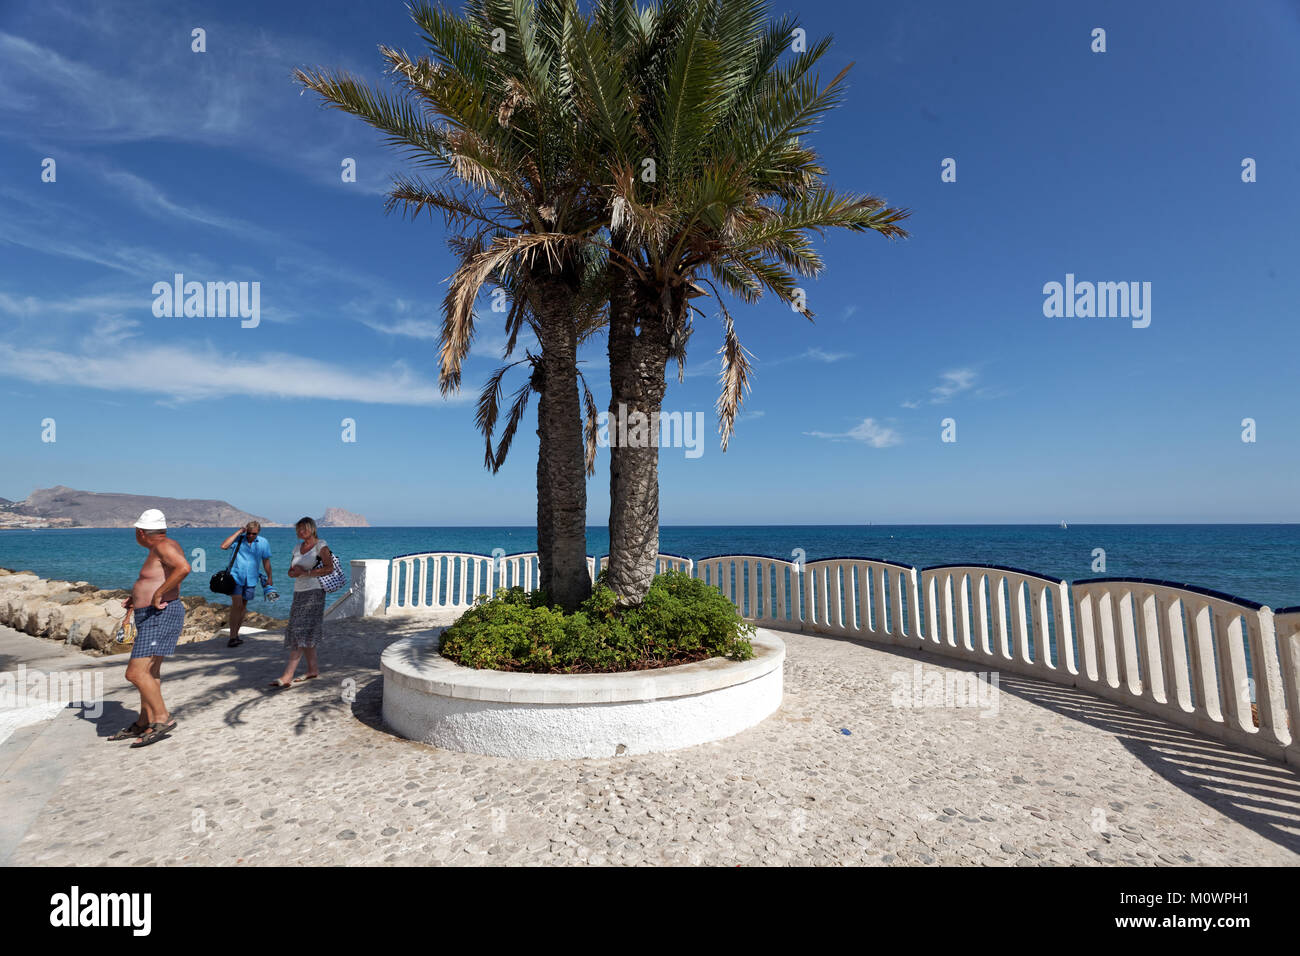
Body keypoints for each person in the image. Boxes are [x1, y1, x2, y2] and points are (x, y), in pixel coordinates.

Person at [108, 509, 191, 747]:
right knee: (150, 673)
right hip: (150, 614)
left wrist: (158, 593)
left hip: (159, 614)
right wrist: (137, 598)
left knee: (135, 673)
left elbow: (184, 568)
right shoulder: (162, 547)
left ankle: (163, 718)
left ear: (141, 532)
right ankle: (145, 720)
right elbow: (156, 577)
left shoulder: (163, 546)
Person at [270, 517, 333, 688]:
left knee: (299, 630)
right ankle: (313, 669)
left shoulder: (321, 546)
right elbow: (291, 571)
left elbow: (330, 568)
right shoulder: (297, 548)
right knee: (305, 630)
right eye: (298, 529)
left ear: (312, 529)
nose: (300, 532)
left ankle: (287, 675)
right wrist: (294, 573)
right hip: (299, 592)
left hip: (314, 592)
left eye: (303, 529)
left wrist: (306, 572)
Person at [219, 521, 272, 648]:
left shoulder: (263, 542)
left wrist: (270, 577)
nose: (251, 536)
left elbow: (266, 561)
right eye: (249, 533)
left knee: (243, 607)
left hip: (252, 579)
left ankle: (236, 635)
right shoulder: (239, 539)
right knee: (236, 605)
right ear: (246, 531)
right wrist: (239, 532)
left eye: (254, 534)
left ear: (258, 533)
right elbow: (224, 546)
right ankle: (232, 637)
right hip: (235, 577)